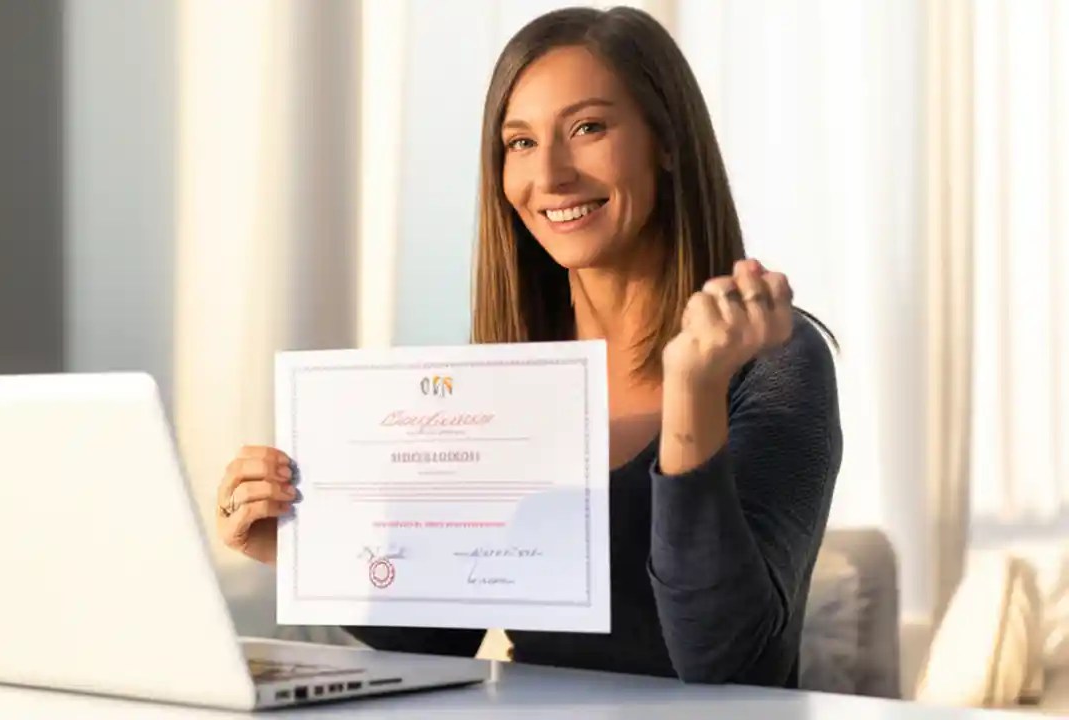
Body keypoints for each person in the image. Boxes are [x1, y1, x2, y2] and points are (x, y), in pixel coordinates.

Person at [214, 6, 842, 689]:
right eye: (519, 143)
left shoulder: (775, 361)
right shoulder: (511, 374)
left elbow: (728, 661)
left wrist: (691, 390)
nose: (550, 174)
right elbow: (442, 632)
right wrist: (299, 549)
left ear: (666, 140)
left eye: (588, 128)